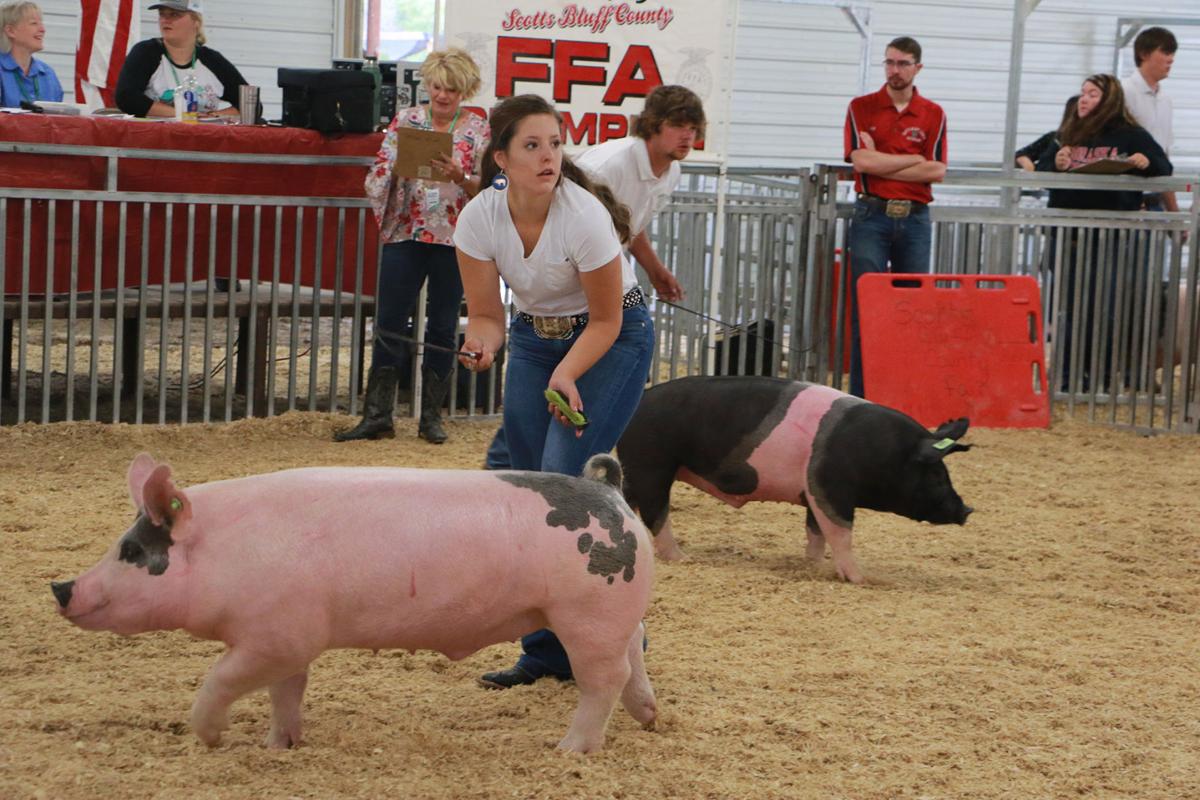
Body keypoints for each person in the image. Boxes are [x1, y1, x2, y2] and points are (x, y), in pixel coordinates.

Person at [453, 94, 654, 689]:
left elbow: (607, 321)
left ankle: (618, 643)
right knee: (526, 485)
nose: (549, 157)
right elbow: (488, 315)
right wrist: (482, 345)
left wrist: (567, 373)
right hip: (535, 339)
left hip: (614, 338)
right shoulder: (478, 218)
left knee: (565, 486)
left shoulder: (584, 214)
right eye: (532, 146)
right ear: (501, 160)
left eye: (556, 144)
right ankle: (545, 654)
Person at [482, 83, 705, 470]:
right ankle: (505, 474)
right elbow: (557, 206)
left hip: (602, 303)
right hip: (560, 302)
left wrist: (654, 270)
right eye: (676, 125)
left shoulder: (670, 172)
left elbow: (627, 226)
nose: (687, 135)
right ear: (652, 125)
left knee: (557, 425)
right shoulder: (610, 164)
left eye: (693, 127)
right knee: (535, 425)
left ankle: (510, 477)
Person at [337, 48, 489, 444]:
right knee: (389, 319)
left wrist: (461, 176)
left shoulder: (476, 129)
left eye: (452, 89)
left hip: (455, 238)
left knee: (442, 326)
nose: (442, 96)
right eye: (438, 87)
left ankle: (431, 419)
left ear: (464, 90)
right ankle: (378, 415)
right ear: (428, 85)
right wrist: (396, 171)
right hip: (406, 232)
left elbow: (489, 187)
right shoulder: (407, 120)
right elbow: (380, 169)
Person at [1034, 74, 1171, 391]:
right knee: (1069, 309)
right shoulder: (1068, 132)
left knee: (1107, 308)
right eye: (1083, 93)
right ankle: (1067, 377)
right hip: (1068, 236)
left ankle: (1104, 377)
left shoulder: (1131, 135)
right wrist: (1056, 161)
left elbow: (1163, 167)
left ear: (1109, 101)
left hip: (1110, 237)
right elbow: (1041, 170)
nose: (1083, 99)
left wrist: (1144, 161)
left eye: (1093, 94)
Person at [843, 36, 947, 399]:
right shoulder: (861, 107)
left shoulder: (933, 113)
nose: (894, 70)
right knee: (866, 304)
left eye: (902, 63)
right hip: (872, 211)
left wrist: (882, 163)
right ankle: (862, 396)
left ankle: (904, 392)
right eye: (889, 63)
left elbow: (936, 171)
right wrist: (912, 161)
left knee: (912, 307)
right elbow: (860, 161)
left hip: (915, 217)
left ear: (918, 67)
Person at [115, 1, 249, 119]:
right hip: (156, 140)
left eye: (174, 14)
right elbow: (126, 97)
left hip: (202, 139)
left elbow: (249, 104)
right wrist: (183, 115)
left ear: (196, 22)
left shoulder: (213, 60)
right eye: (162, 14)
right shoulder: (146, 52)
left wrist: (211, 117)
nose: (165, 20)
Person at [1121, 27, 1177, 213]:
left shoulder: (1165, 100)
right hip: (1128, 198)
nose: (1171, 59)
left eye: (1173, 53)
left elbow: (1164, 157)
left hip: (1155, 200)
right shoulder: (1124, 91)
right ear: (1144, 54)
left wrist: (1173, 211)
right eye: (1165, 52)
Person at [0, 1, 63, 108]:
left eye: (41, 23)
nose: (43, 30)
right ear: (10, 31)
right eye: (34, 23)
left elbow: (60, 120)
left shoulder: (48, 74)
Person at [1015, 96, 1078, 172]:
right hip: (1044, 181)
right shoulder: (1053, 138)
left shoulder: (1091, 143)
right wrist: (1030, 168)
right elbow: (1021, 153)